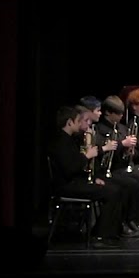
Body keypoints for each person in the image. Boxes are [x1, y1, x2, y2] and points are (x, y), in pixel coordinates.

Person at [47, 105, 129, 245]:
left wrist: (94, 178)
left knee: (116, 188)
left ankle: (109, 232)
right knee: (112, 192)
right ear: (69, 122)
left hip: (75, 182)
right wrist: (87, 156)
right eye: (79, 121)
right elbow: (70, 168)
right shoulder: (61, 141)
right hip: (66, 186)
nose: (81, 124)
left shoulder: (70, 139)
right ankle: (101, 234)